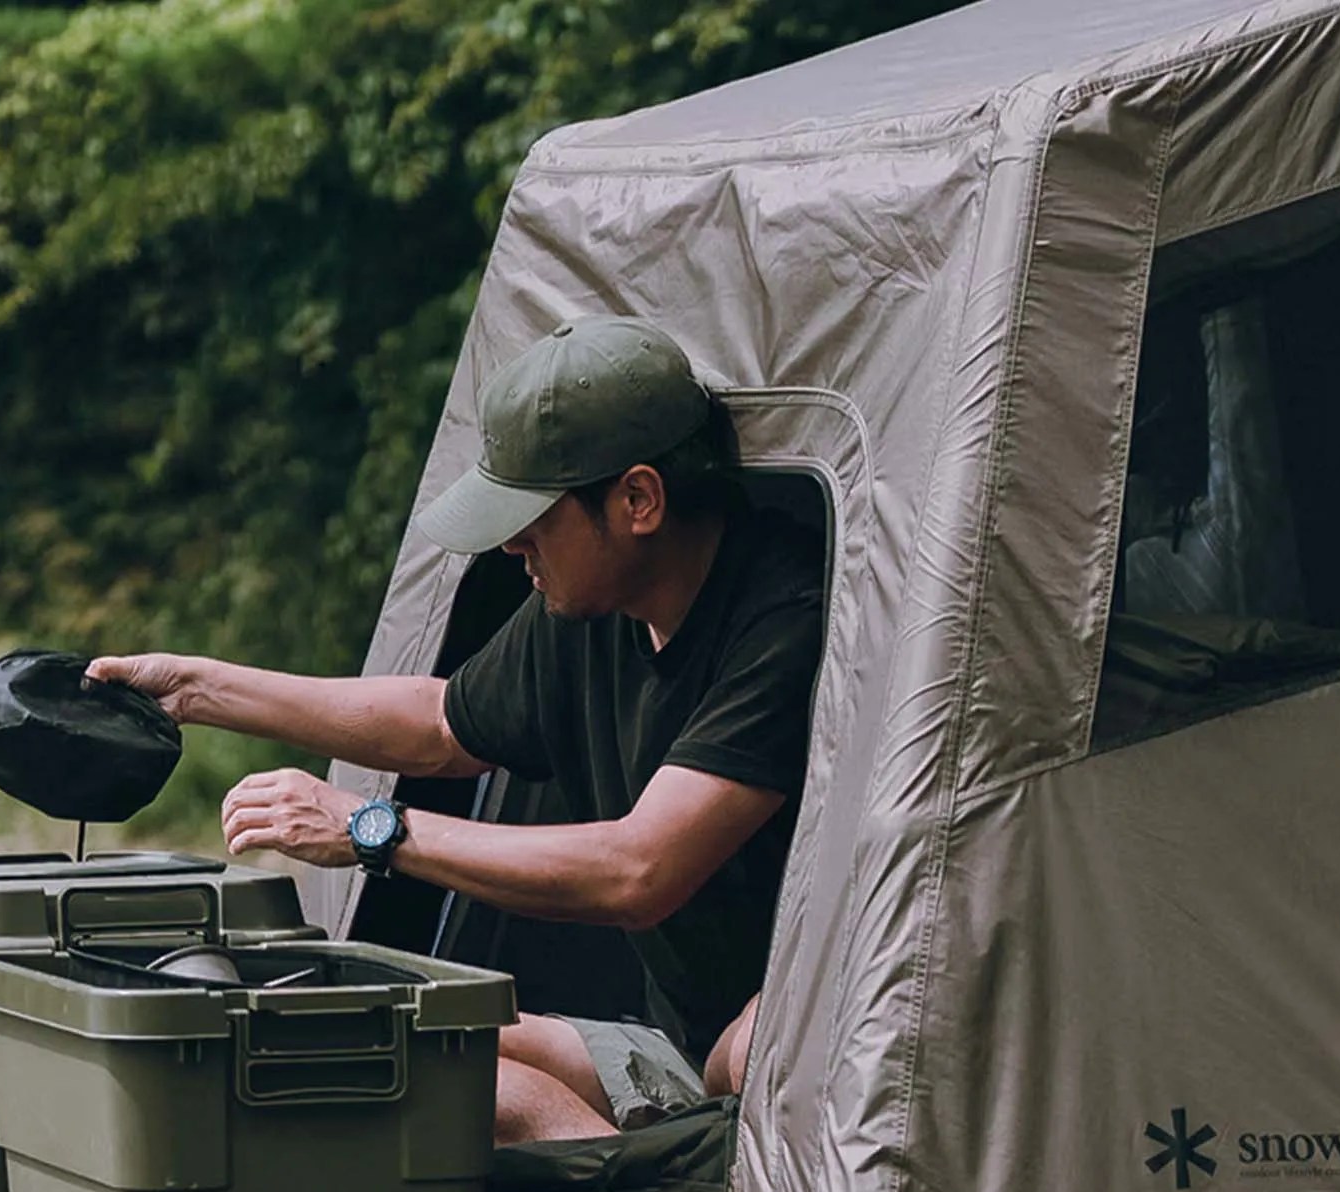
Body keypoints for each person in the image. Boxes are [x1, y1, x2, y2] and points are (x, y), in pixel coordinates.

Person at [91, 317, 824, 1143]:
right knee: (417, 1046)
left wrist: (372, 829)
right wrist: (196, 688)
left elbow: (638, 868)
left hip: (785, 1052)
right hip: (680, 1046)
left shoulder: (785, 617)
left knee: (718, 1060)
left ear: (638, 500)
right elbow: (441, 724)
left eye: (533, 516)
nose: (512, 545)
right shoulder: (592, 604)